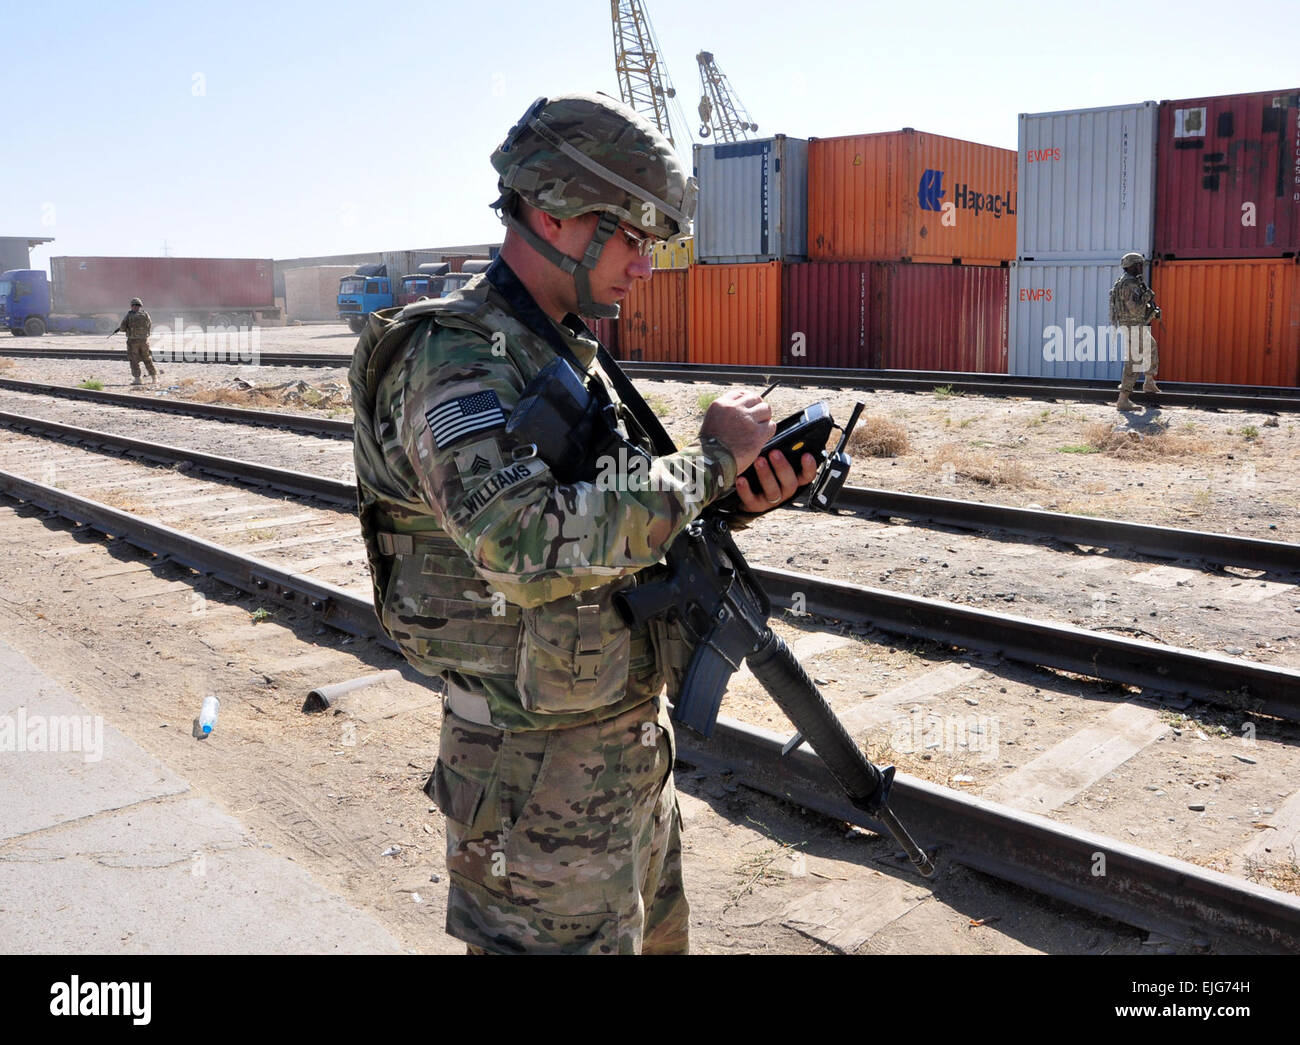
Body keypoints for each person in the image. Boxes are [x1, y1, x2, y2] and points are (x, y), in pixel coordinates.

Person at [349, 92, 816, 955]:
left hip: (628, 762)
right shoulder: (452, 359)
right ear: (557, 214)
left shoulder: (555, 348)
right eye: (634, 237)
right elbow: (523, 546)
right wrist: (709, 460)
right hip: (532, 792)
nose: (645, 265)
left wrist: (732, 495)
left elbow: (612, 521)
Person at [1110, 252, 1161, 410]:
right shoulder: (1129, 284)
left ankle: (1149, 382)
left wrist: (1150, 310)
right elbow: (1134, 309)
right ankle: (1123, 399)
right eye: (1139, 265)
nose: (1141, 268)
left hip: (1134, 324)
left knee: (1150, 346)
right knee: (1134, 360)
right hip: (1132, 325)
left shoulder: (1128, 281)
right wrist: (1147, 298)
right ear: (1132, 266)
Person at [117, 297, 157, 386]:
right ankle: (154, 378)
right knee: (147, 359)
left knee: (134, 360)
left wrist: (125, 329)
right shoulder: (145, 314)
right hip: (144, 341)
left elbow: (122, 327)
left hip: (133, 342)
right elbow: (149, 325)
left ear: (132, 306)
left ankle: (138, 380)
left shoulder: (129, 315)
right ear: (140, 306)